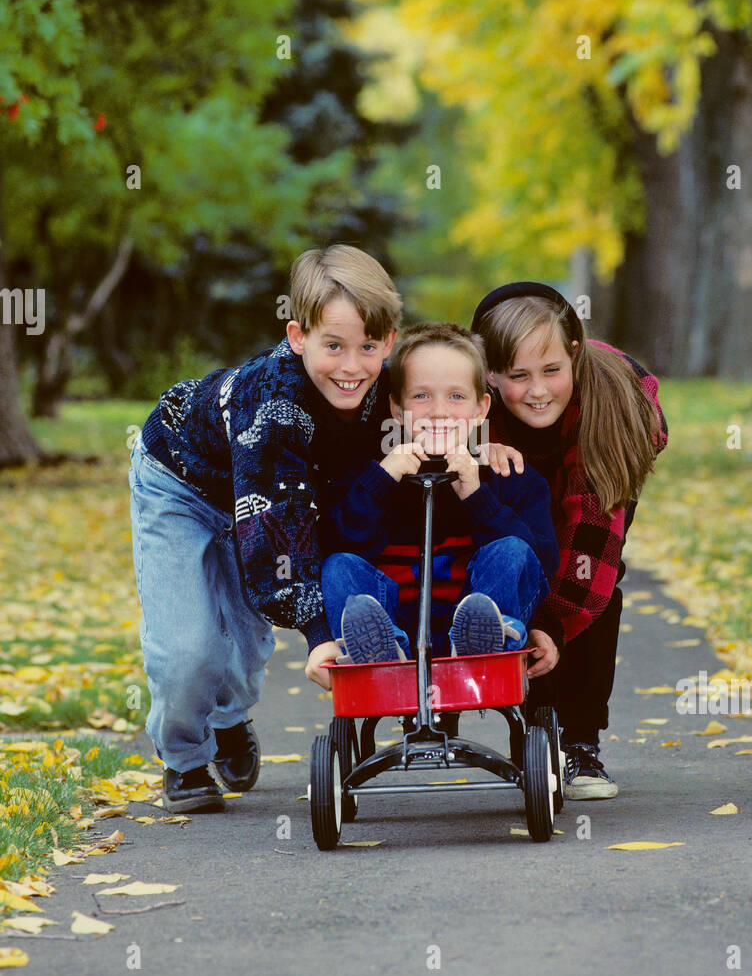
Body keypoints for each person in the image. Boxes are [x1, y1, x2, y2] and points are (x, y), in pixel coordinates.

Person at [128, 243, 402, 813]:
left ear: (390, 341)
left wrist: (482, 442)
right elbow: (277, 532)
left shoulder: (389, 391)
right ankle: (182, 758)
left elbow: (452, 398)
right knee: (190, 647)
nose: (351, 367)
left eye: (367, 348)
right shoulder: (270, 404)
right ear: (297, 336)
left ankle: (230, 719)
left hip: (268, 495)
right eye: (333, 346)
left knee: (247, 650)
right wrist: (320, 633)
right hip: (179, 483)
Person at [470, 282, 668, 800]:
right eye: (518, 376)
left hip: (595, 457)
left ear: (573, 356)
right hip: (511, 470)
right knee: (521, 566)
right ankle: (536, 727)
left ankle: (581, 743)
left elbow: (589, 535)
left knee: (589, 583)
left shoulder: (616, 402)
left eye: (551, 370)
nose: (538, 389)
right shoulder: (468, 404)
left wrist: (554, 624)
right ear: (490, 374)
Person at [313, 322, 561, 678]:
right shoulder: (372, 475)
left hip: (474, 619)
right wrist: (380, 482)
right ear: (397, 410)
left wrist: (478, 498)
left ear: (481, 408)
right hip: (394, 621)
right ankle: (382, 648)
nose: (439, 411)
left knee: (512, 550)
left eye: (457, 397)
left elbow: (540, 566)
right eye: (421, 396)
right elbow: (331, 547)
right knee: (338, 565)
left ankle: (485, 637)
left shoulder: (508, 475)